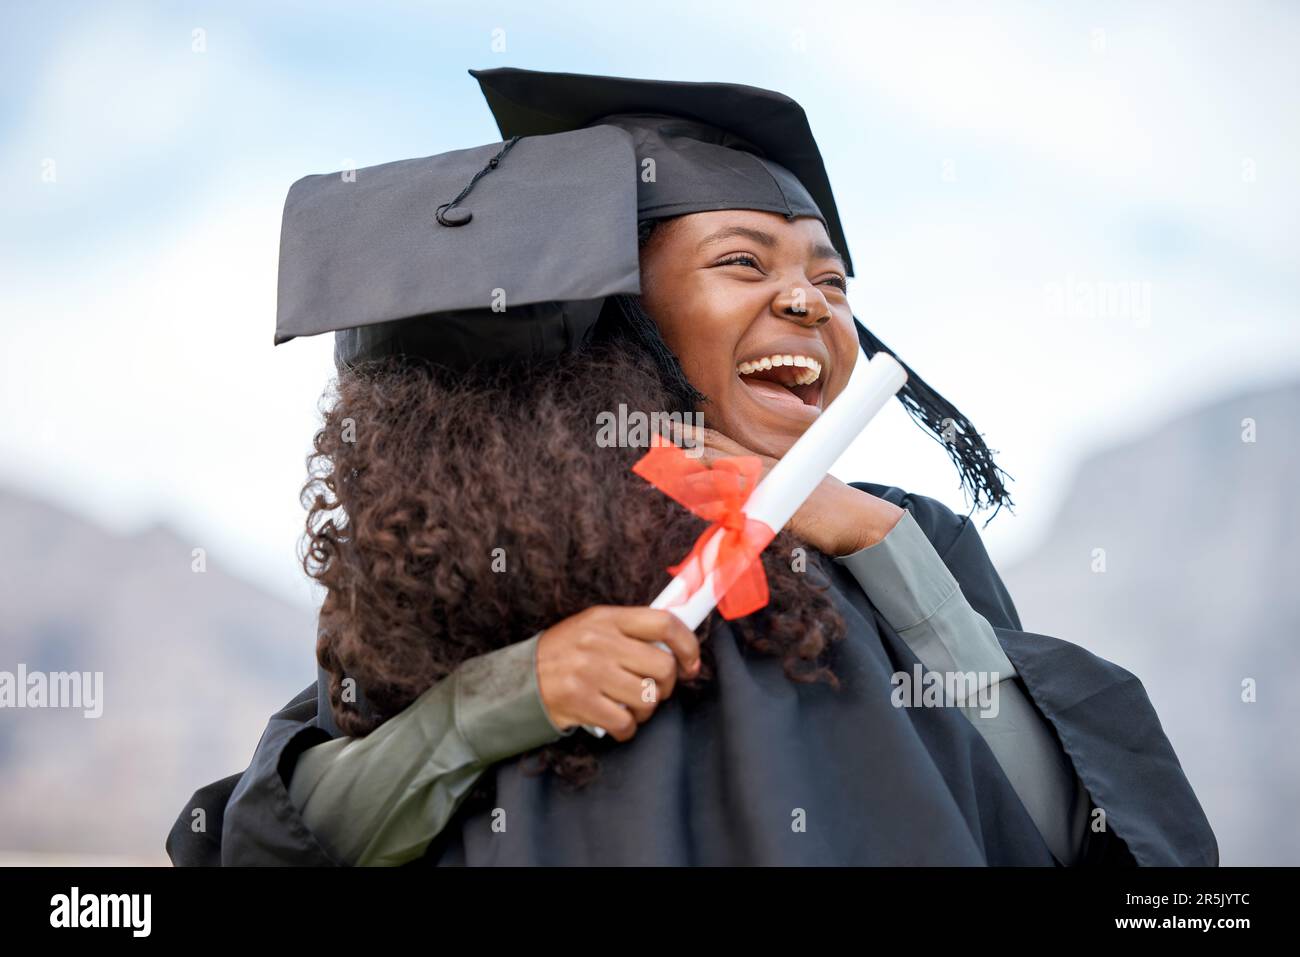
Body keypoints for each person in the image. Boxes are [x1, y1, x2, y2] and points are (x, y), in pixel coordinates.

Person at [167, 68, 1218, 867]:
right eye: (740, 263)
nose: (809, 302)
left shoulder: (907, 535)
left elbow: (1060, 830)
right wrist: (500, 699)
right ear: (626, 314)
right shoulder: (495, 544)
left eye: (830, 279)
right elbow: (304, 838)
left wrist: (881, 551)